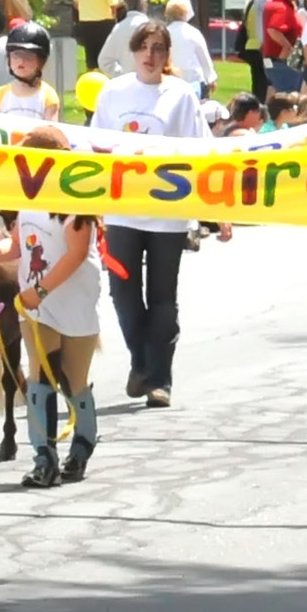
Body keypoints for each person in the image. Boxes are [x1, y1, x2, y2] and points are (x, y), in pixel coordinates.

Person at [0, 126, 102, 489]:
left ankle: (81, 445)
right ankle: (43, 456)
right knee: (40, 374)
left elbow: (76, 255)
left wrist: (42, 290)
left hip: (72, 298)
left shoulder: (76, 206)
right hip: (36, 304)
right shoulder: (27, 203)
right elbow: (18, 246)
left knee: (75, 379)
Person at [91, 22, 206, 408]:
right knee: (123, 293)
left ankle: (160, 379)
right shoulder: (114, 92)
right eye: (144, 47)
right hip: (122, 210)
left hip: (167, 213)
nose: (150, 56)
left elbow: (201, 150)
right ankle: (141, 360)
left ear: (167, 55)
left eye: (159, 48)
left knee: (162, 297)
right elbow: (95, 146)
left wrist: (213, 209)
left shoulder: (181, 95)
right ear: (133, 51)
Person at [0, 23, 60, 120]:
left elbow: (50, 130)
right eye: (16, 55)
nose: (21, 61)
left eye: (29, 56)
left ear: (41, 61)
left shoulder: (47, 96)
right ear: (8, 58)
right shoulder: (1, 94)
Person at [262, 0, 306, 93]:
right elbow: (273, 30)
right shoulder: (280, 6)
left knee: (284, 97)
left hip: (283, 62)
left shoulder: (285, 4)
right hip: (283, 63)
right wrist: (287, 49)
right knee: (287, 99)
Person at [161, 0, 217, 89]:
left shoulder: (164, 33)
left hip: (170, 79)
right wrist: (210, 77)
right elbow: (203, 57)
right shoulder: (193, 32)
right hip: (193, 81)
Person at [97, 0, 152, 76]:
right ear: (144, 4)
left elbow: (104, 61)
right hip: (150, 81)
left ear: (125, 5)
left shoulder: (118, 28)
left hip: (127, 83)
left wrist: (121, 74)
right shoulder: (151, 27)